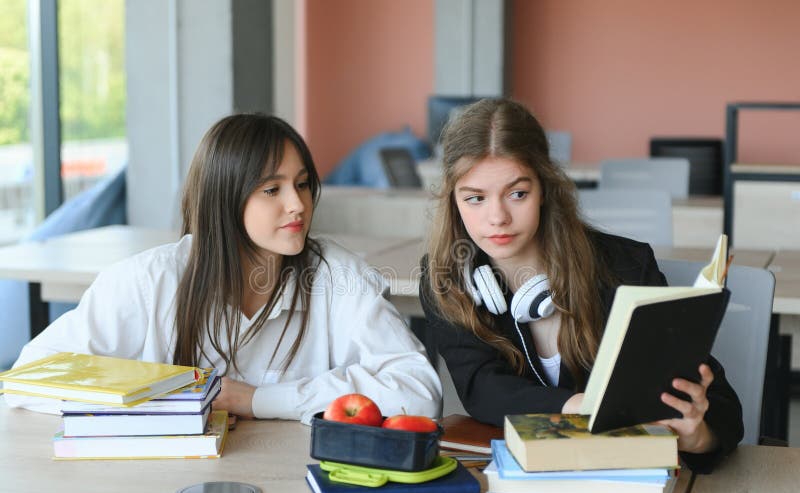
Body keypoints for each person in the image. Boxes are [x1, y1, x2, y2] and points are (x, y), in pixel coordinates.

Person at [6, 113, 442, 424]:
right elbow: (30, 379)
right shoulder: (149, 281)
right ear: (226, 197)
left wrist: (259, 400)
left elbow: (419, 392)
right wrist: (162, 399)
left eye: (303, 184)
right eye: (272, 189)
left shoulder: (336, 276)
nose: (298, 204)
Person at [420, 98, 742, 472]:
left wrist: (699, 436)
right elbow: (481, 388)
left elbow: (723, 406)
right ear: (453, 201)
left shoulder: (626, 268)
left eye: (517, 194)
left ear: (545, 189)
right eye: (474, 198)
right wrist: (577, 405)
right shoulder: (446, 279)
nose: (497, 218)